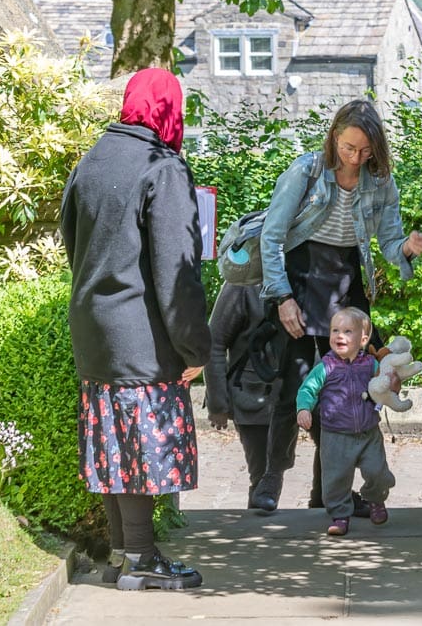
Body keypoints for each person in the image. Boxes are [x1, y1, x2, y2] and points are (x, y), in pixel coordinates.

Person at [60, 67, 212, 592]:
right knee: (145, 442)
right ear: (169, 110)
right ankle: (144, 560)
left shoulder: (93, 159)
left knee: (112, 439)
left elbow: (71, 242)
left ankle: (124, 554)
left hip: (93, 325)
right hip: (143, 332)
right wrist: (195, 346)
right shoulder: (162, 167)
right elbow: (177, 271)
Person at [253, 98, 422, 512]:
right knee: (296, 386)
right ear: (334, 137)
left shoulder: (380, 180)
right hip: (300, 276)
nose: (356, 158)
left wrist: (406, 248)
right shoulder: (307, 170)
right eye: (349, 148)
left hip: (346, 284)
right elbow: (272, 237)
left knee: (346, 392)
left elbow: (388, 242)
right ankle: (270, 480)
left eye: (366, 151)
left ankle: (327, 494)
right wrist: (282, 298)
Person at [296, 307, 397, 536]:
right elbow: (307, 390)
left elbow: (385, 384)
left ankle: (375, 499)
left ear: (363, 339)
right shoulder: (325, 367)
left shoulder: (371, 364)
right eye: (335, 330)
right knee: (335, 478)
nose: (339, 336)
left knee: (377, 472)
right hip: (335, 435)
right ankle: (340, 515)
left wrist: (392, 382)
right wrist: (304, 409)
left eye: (347, 331)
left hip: (368, 433)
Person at [204, 281, 288, 513]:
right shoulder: (241, 284)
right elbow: (215, 343)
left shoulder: (302, 271)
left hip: (296, 392)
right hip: (251, 395)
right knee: (263, 477)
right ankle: (255, 533)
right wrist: (218, 404)